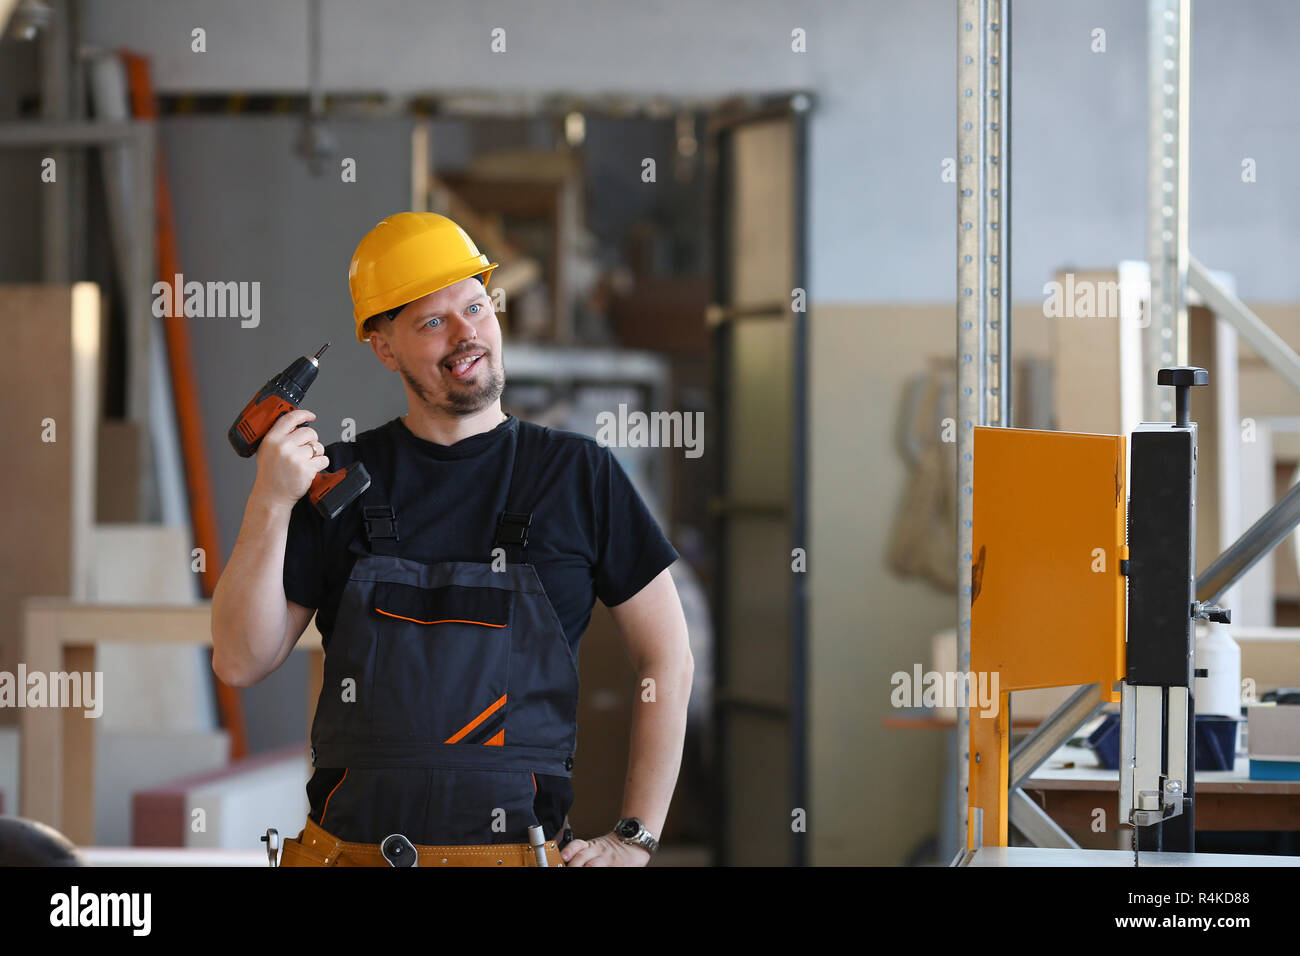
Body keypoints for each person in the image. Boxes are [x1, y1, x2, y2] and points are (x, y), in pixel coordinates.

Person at [211, 212, 692, 867]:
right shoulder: (338, 481)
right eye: (433, 321)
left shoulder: (578, 476)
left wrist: (635, 838)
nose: (467, 334)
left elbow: (668, 658)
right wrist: (270, 499)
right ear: (383, 347)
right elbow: (240, 661)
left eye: (476, 306)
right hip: (347, 857)